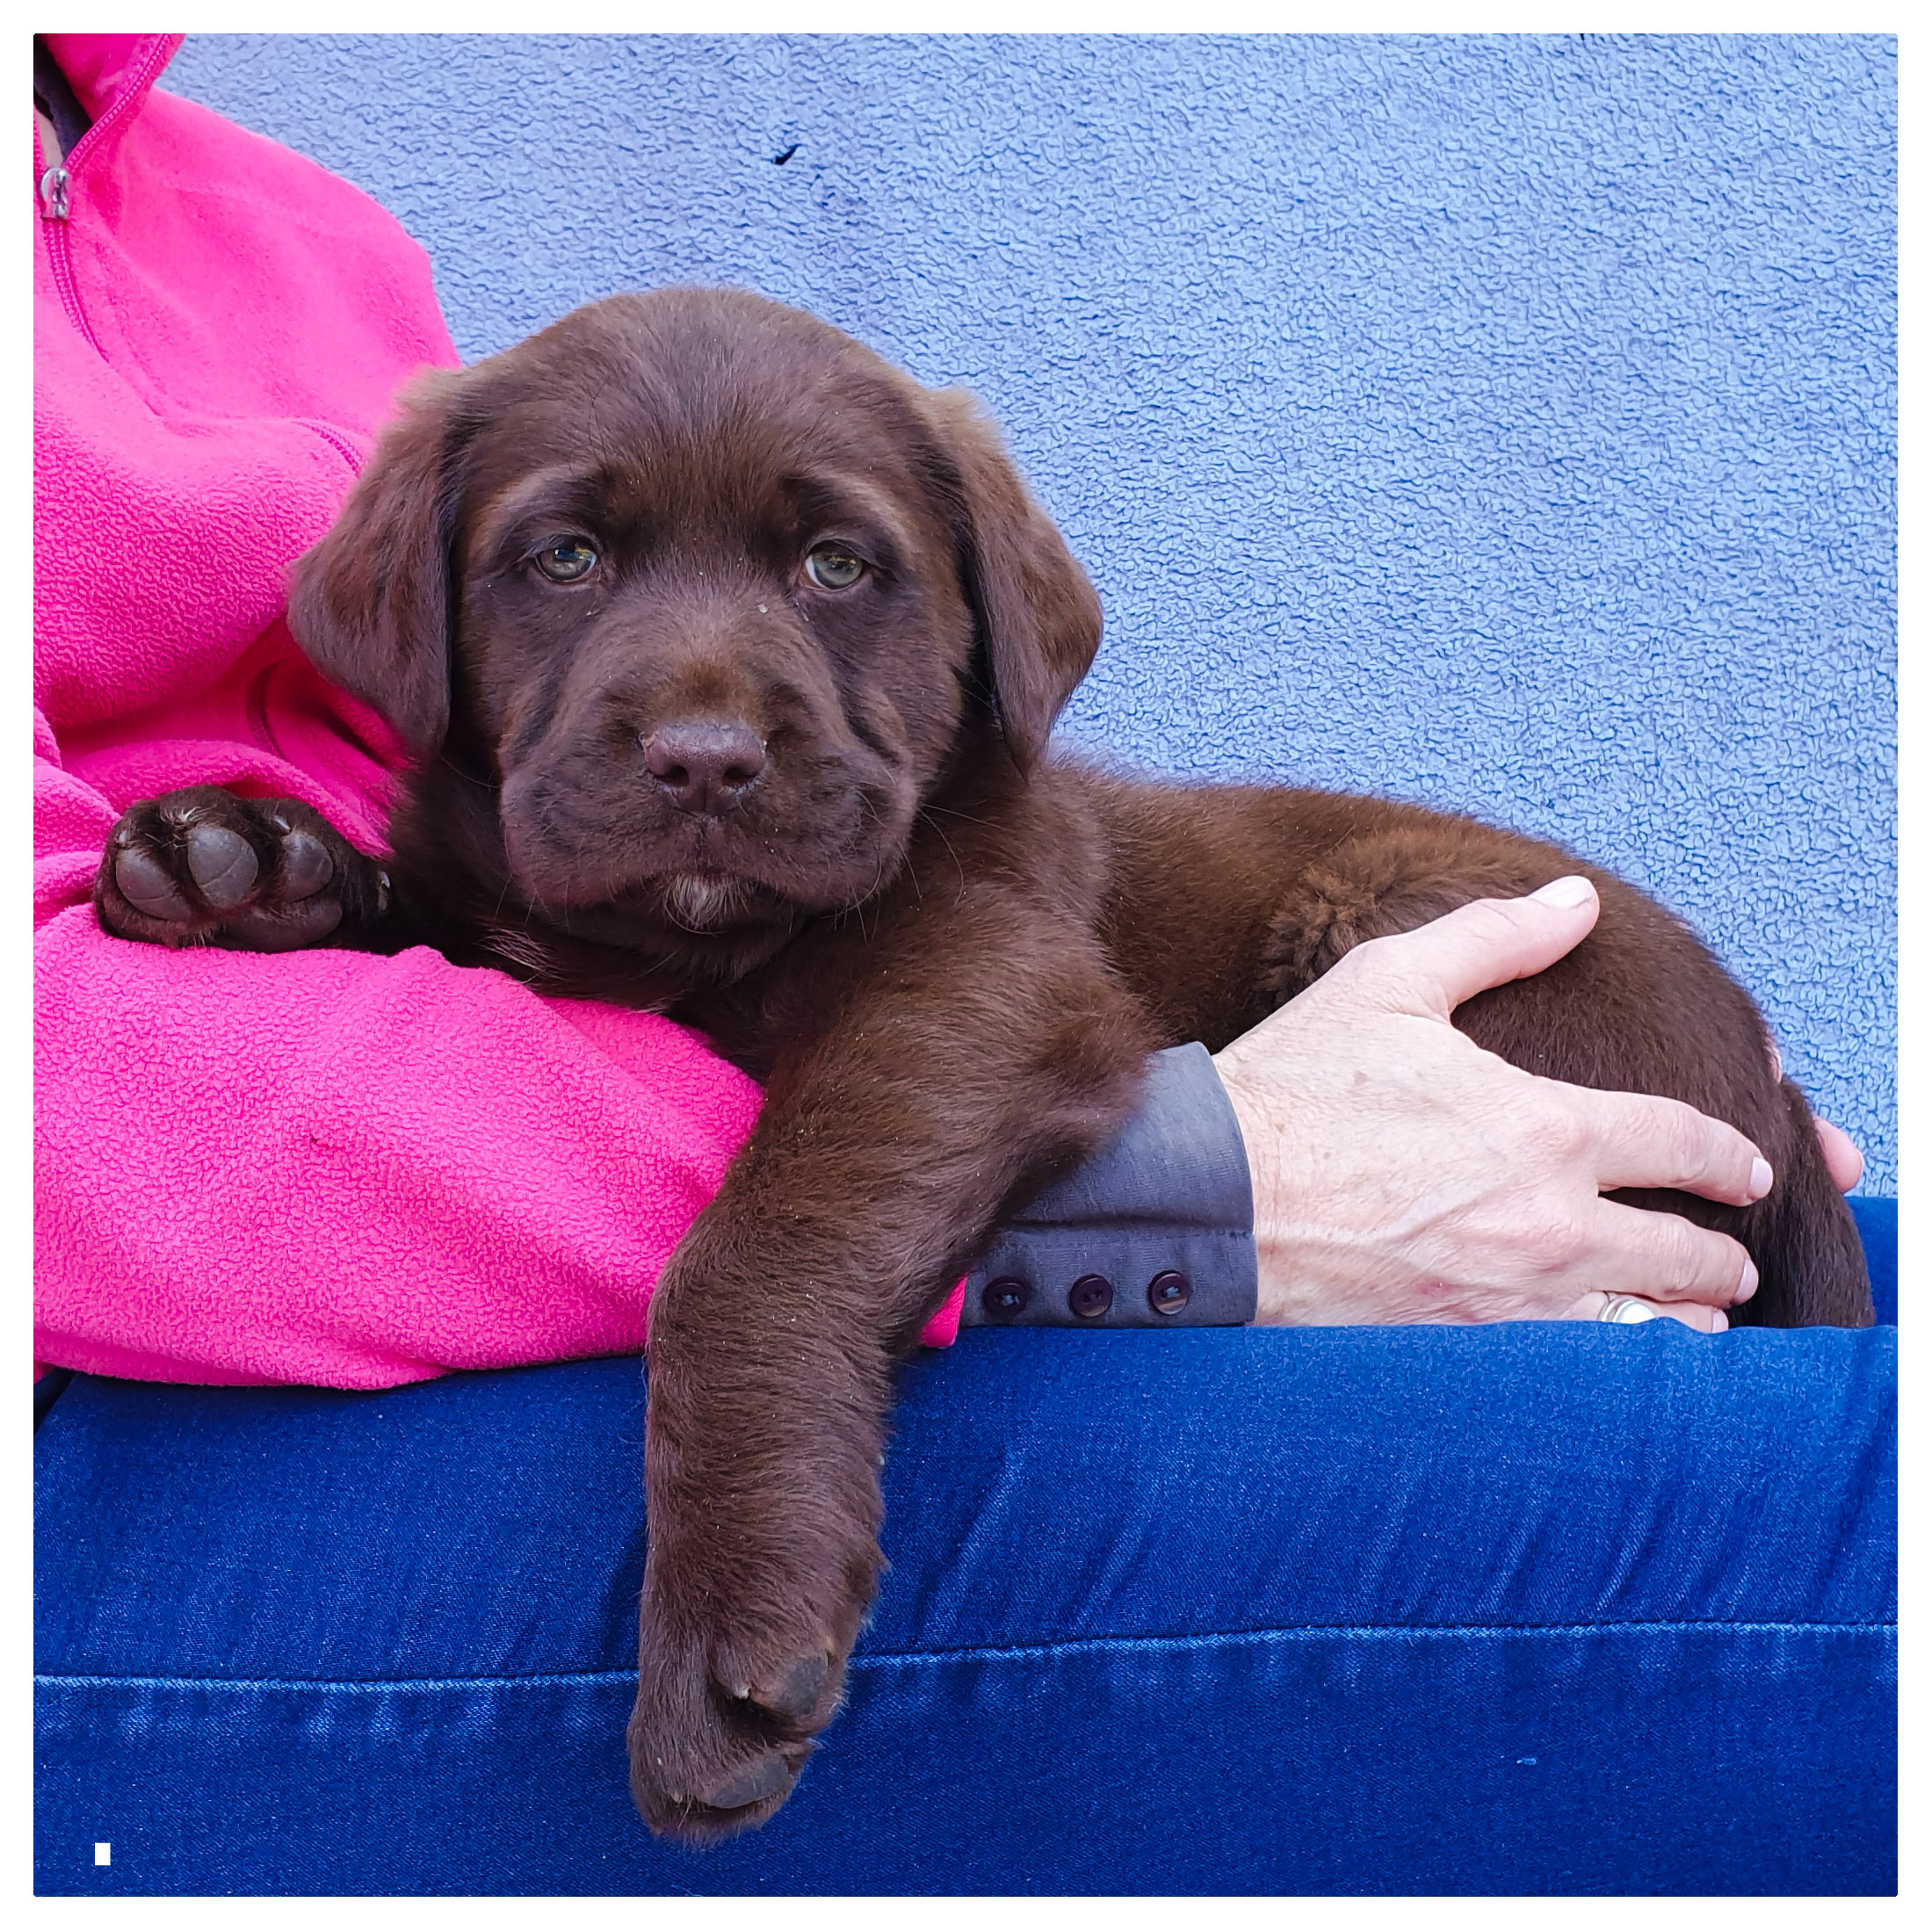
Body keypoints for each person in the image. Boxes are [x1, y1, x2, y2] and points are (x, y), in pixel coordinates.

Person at [33, 32, 1860, 1394]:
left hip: (1352, 1067)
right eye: (568, 561)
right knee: (1845, 1528)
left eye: (838, 571)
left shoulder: (284, 230)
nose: (698, 723)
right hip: (192, 1419)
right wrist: (1172, 1187)